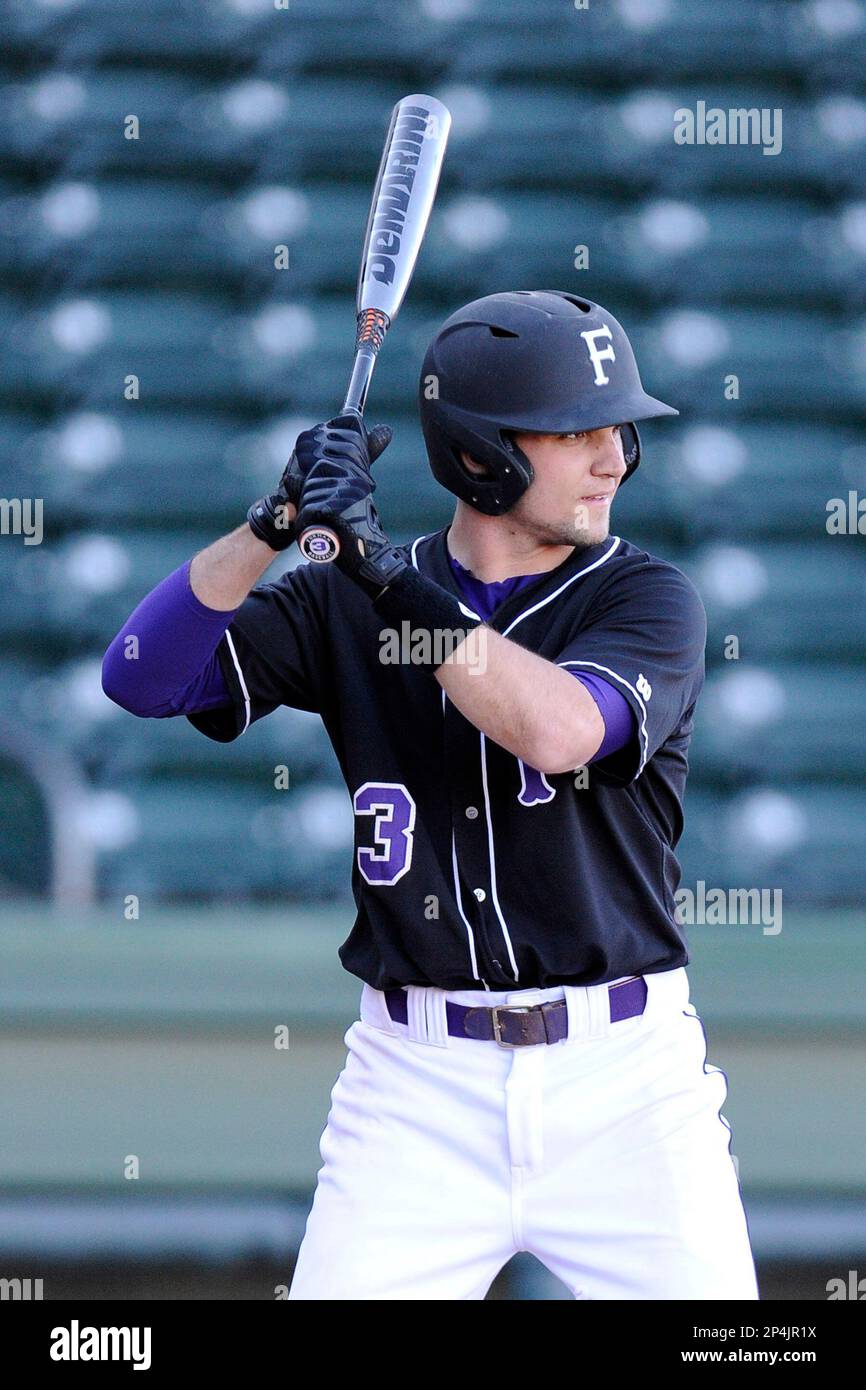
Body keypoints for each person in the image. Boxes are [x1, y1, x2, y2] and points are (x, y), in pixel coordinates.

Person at [103, 291, 758, 1300]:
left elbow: (558, 729)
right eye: (575, 432)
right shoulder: (344, 596)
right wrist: (271, 525)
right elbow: (141, 674)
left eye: (617, 429)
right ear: (478, 454)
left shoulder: (646, 595)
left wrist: (383, 580)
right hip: (413, 1085)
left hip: (625, 1080)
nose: (613, 457)